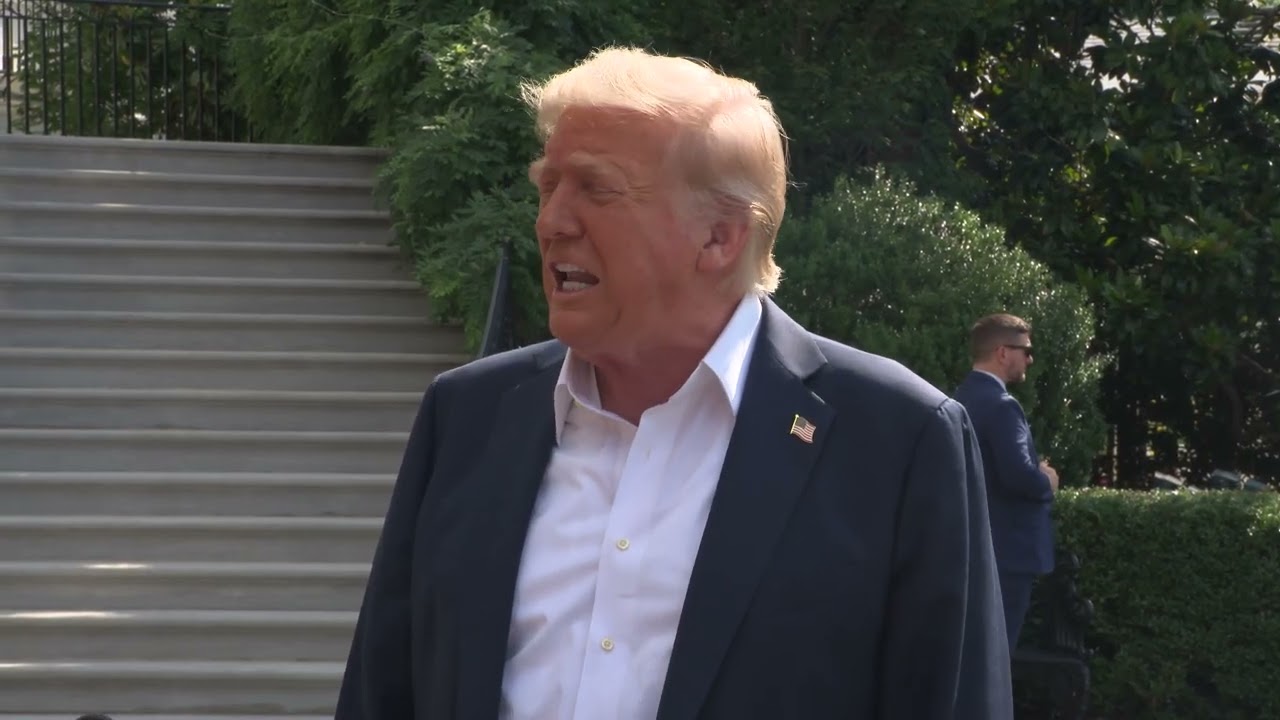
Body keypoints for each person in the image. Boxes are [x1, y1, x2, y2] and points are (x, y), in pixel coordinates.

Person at [336, 47, 1012, 719]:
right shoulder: (469, 417)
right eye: (548, 186)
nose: (551, 222)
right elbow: (380, 693)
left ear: (718, 237)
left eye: (597, 190)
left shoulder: (899, 442)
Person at [954, 313, 1059, 652]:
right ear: (1002, 352)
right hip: (1009, 555)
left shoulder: (960, 399)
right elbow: (1018, 477)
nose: (1029, 358)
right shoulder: (1002, 407)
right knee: (996, 656)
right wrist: (1046, 480)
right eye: (1025, 350)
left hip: (972, 548)